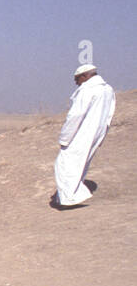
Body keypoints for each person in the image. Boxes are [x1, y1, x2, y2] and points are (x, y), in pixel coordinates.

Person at [53, 64, 115, 209]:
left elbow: (75, 116)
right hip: (97, 132)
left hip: (83, 133)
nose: (76, 82)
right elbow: (110, 114)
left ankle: (70, 198)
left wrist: (64, 138)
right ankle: (65, 196)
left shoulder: (87, 90)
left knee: (63, 163)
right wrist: (102, 134)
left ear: (84, 76)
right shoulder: (108, 89)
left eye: (77, 79)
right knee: (79, 163)